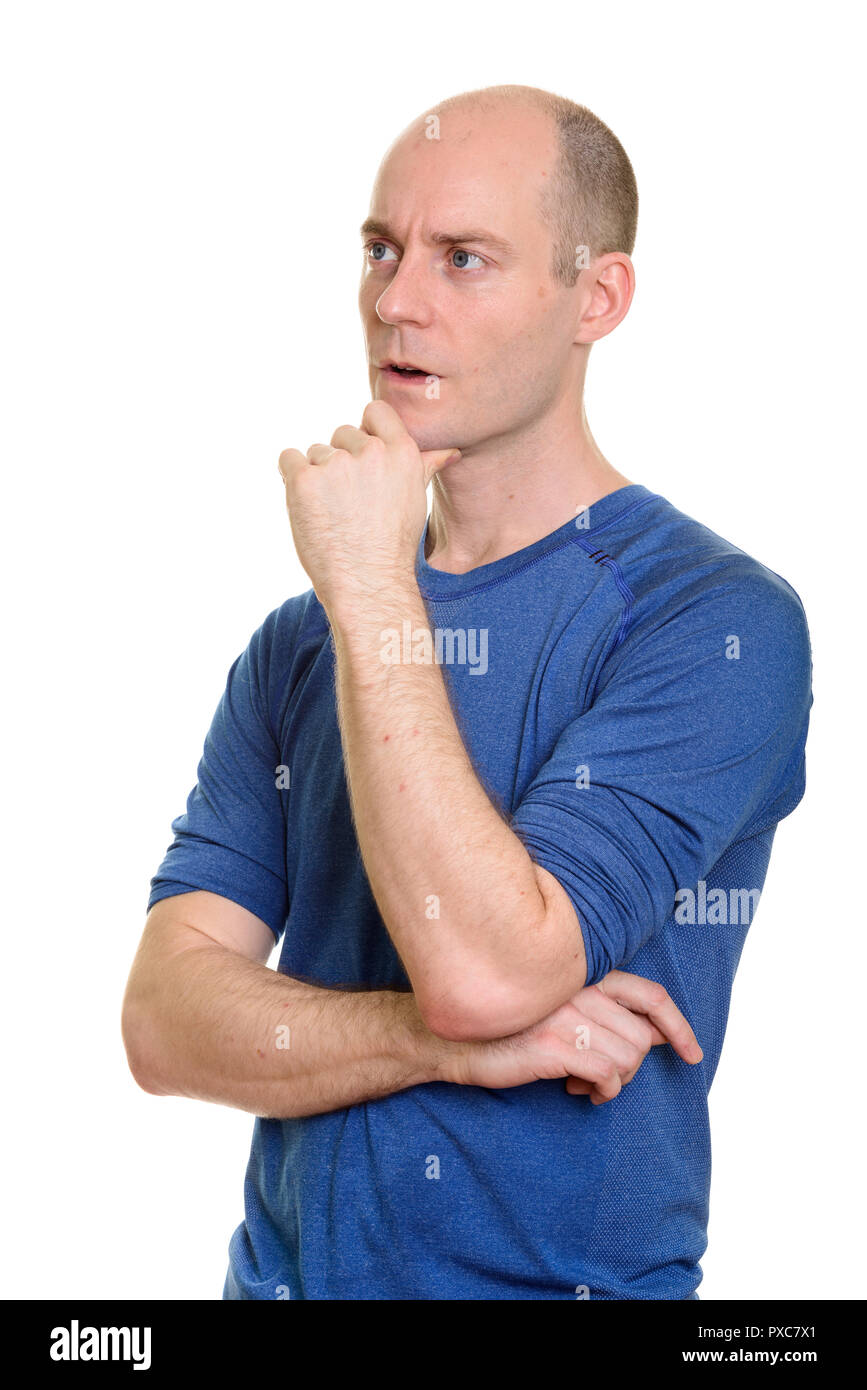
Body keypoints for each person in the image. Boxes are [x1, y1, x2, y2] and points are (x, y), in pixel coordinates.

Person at [122, 84, 812, 1300]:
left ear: (596, 297)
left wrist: (375, 592)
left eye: (465, 258)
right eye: (382, 250)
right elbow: (164, 1023)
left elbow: (487, 972)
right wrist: (427, 1044)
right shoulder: (302, 639)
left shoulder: (714, 623)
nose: (396, 300)